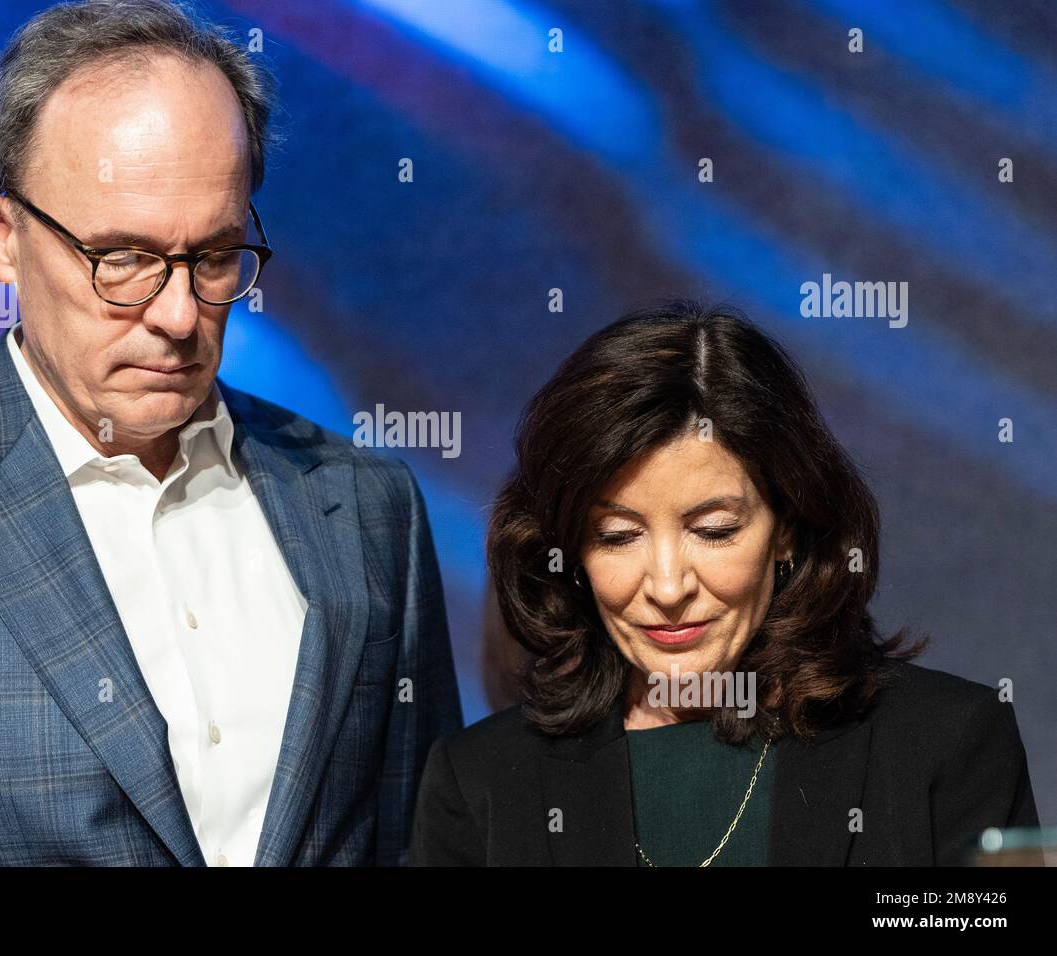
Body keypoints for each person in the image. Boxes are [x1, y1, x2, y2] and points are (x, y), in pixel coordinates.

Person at [0, 0, 461, 866]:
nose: (177, 314)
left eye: (213, 257)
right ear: (0, 232)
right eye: (121, 258)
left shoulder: (368, 508)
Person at [410, 300, 1038, 866]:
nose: (666, 585)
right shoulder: (481, 785)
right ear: (570, 554)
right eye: (617, 536)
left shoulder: (946, 742)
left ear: (787, 527)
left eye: (712, 530)